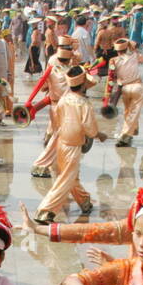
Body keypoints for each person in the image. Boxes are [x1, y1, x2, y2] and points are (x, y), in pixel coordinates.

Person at [34, 65, 106, 224]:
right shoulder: (84, 103)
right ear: (82, 85)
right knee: (66, 178)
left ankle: (85, 202)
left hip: (62, 143)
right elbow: (90, 128)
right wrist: (99, 135)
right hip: (73, 145)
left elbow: (59, 119)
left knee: (69, 176)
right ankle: (45, 211)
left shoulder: (63, 100)